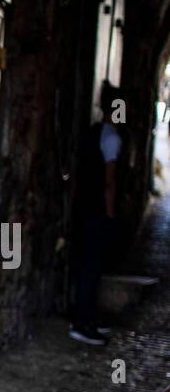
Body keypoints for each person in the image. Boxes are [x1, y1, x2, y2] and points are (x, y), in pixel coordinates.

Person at [71, 80, 124, 346]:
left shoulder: (93, 132)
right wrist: (110, 215)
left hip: (83, 208)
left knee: (86, 265)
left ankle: (84, 318)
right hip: (97, 212)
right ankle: (83, 322)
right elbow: (109, 181)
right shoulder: (112, 138)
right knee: (91, 267)